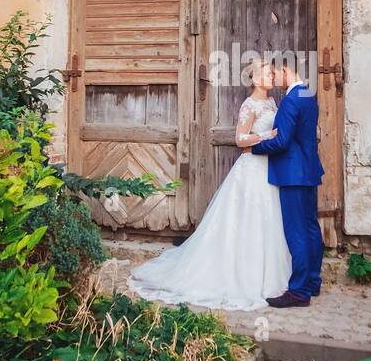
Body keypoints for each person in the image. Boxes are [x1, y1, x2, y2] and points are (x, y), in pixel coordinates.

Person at [126, 61, 291, 311]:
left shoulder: (271, 103)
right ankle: (237, 276)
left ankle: (266, 274)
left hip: (269, 167)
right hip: (251, 168)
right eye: (267, 73)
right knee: (246, 220)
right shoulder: (250, 105)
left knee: (266, 220)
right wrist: (267, 136)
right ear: (256, 79)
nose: (272, 76)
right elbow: (239, 139)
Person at [250, 59, 324, 307]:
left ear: (285, 70)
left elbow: (281, 141)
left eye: (276, 73)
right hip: (309, 170)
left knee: (297, 232)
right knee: (311, 228)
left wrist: (255, 148)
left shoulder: (292, 100)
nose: (275, 79)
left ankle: (299, 292)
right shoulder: (308, 95)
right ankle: (313, 282)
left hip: (293, 174)